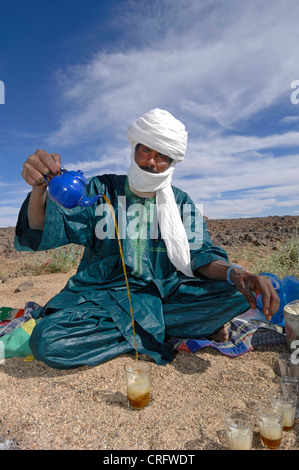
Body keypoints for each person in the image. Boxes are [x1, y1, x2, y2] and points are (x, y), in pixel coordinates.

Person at [15, 108, 280, 369]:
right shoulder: (101, 189)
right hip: (103, 297)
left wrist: (235, 273)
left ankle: (147, 328)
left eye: (162, 155)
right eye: (146, 150)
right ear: (135, 148)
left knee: (242, 291)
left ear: (172, 161)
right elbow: (39, 225)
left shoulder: (181, 202)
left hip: (166, 293)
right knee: (47, 341)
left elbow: (200, 256)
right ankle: (169, 328)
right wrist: (40, 189)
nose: (151, 162)